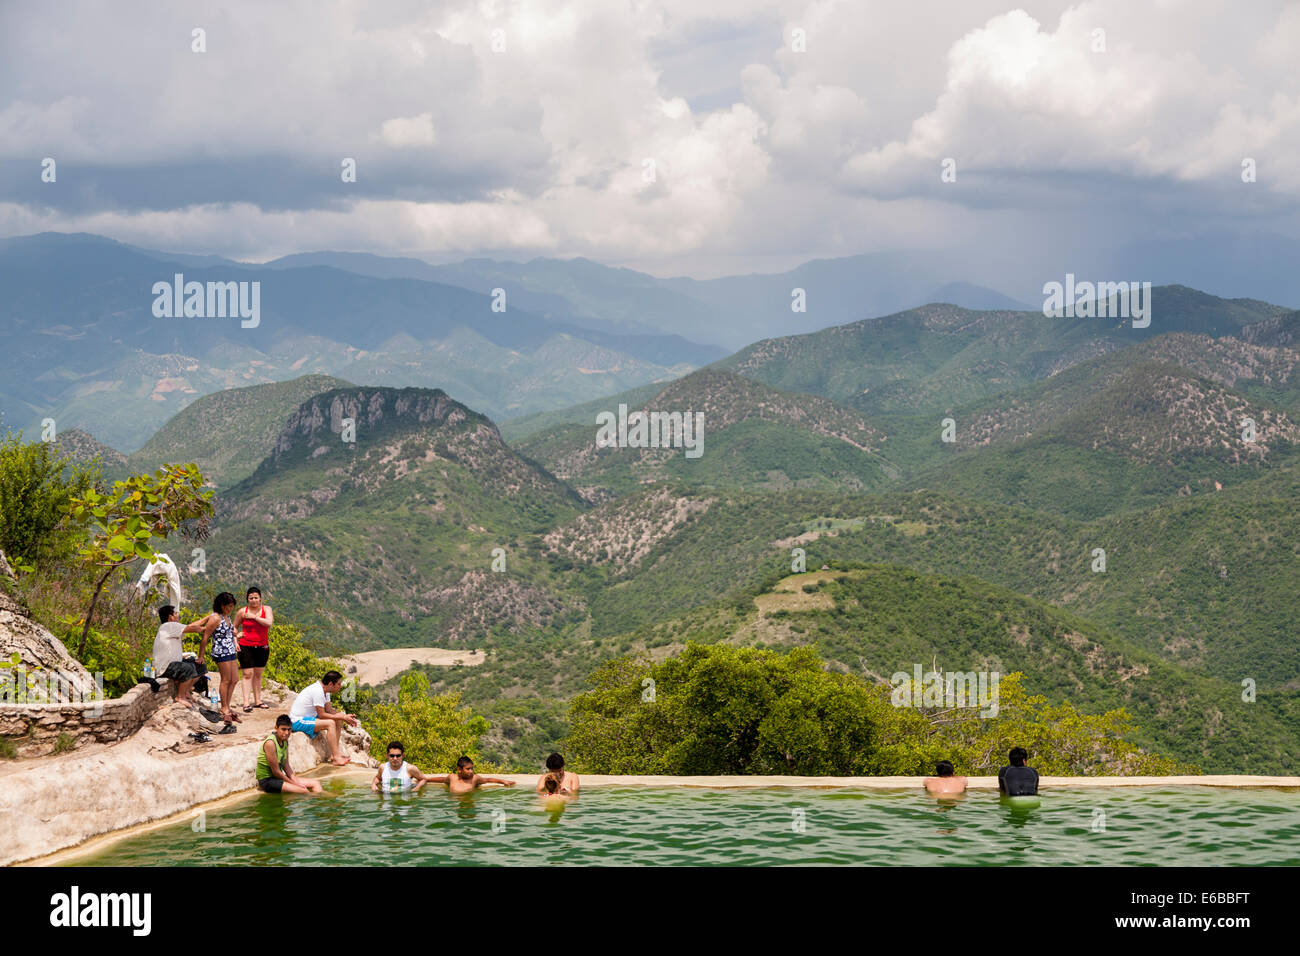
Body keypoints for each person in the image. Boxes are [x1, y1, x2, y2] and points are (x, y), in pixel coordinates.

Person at [289, 670, 357, 766]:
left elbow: (329, 710)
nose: (340, 686)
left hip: (310, 717)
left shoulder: (325, 691)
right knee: (330, 723)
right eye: (338, 684)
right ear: (330, 684)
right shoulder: (318, 691)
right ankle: (337, 758)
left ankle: (335, 754)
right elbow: (322, 715)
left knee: (337, 719)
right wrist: (342, 717)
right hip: (297, 721)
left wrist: (344, 716)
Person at [195, 592, 241, 731]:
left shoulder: (226, 616)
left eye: (232, 606)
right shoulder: (215, 618)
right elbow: (206, 637)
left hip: (230, 650)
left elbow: (229, 632)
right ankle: (224, 708)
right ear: (222, 605)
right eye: (228, 606)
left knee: (234, 679)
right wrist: (201, 656)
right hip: (221, 651)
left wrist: (235, 637)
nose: (230, 609)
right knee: (226, 680)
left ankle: (227, 705)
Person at [152, 605, 206, 703]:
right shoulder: (168, 626)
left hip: (174, 664)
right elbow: (194, 628)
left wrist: (207, 622)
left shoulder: (174, 628)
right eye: (176, 613)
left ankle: (186, 690)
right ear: (170, 617)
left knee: (200, 666)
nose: (178, 615)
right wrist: (209, 622)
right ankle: (180, 696)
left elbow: (191, 626)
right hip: (165, 667)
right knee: (188, 668)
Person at [256, 715, 322, 794]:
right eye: (283, 729)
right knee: (303, 791)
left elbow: (286, 765)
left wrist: (295, 780)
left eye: (289, 729)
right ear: (276, 728)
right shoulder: (270, 743)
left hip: (277, 778)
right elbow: (276, 772)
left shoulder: (285, 741)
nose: (287, 733)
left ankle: (320, 798)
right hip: (267, 780)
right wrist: (295, 784)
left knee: (315, 783)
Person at [234, 586, 273, 712]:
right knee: (247, 674)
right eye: (251, 598)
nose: (254, 600)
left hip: (262, 646)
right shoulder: (242, 612)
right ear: (247, 599)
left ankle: (258, 701)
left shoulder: (266, 609)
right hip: (245, 645)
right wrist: (235, 641)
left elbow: (269, 623)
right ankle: (246, 703)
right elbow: (234, 627)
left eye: (256, 598)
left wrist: (254, 617)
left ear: (260, 598)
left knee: (258, 674)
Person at [425, 756, 516, 794]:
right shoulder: (452, 777)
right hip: (453, 805)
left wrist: (503, 781)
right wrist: (427, 779)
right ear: (459, 769)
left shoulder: (474, 778)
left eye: (472, 768)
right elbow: (442, 779)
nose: (471, 771)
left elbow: (488, 780)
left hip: (468, 803)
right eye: (468, 769)